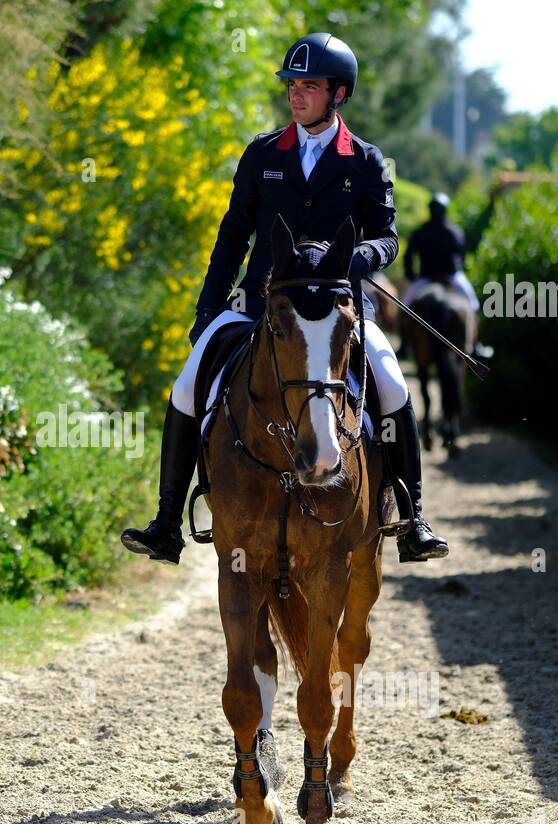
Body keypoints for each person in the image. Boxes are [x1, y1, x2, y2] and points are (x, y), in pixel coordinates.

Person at [120, 32, 449, 566]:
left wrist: (355, 261)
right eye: (293, 85)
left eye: (310, 86)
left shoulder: (366, 162)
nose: (297, 95)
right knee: (186, 385)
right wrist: (208, 308)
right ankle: (165, 523)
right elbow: (233, 234)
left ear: (338, 94)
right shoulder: (262, 154)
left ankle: (413, 520)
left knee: (392, 384)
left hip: (337, 309)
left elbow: (387, 238)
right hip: (262, 304)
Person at [403, 192, 479, 353]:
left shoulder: (421, 231)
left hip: (425, 279)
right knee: (472, 304)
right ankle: (475, 346)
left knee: (405, 306)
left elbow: (408, 255)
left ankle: (404, 344)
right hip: (452, 278)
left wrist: (411, 275)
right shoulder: (455, 231)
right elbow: (462, 256)